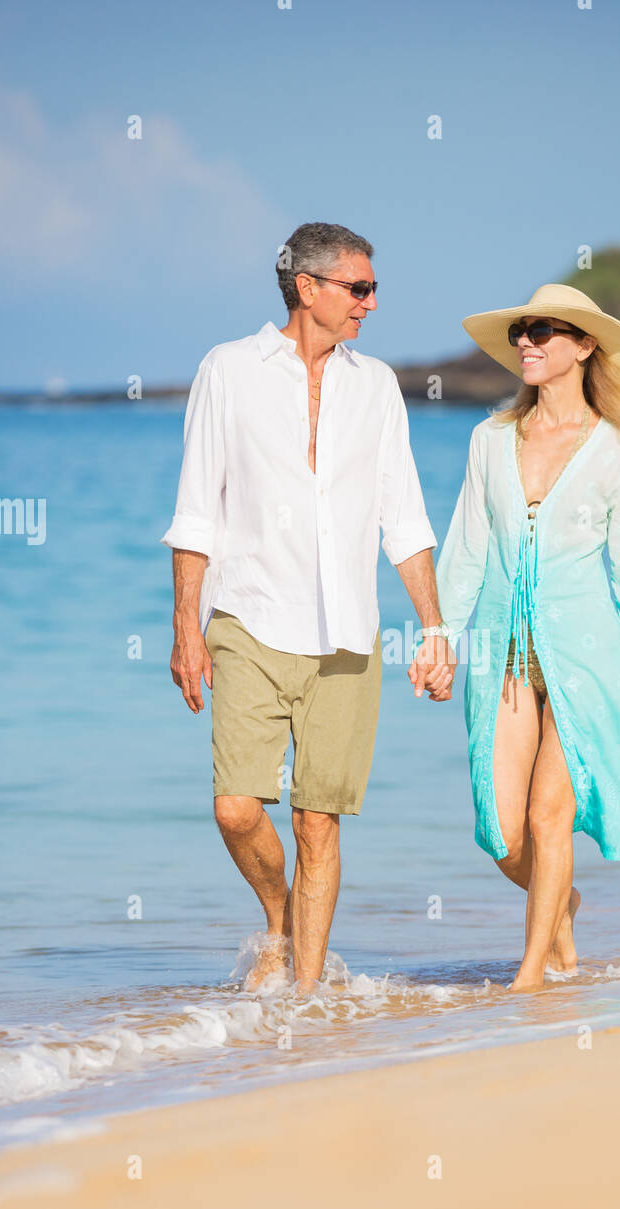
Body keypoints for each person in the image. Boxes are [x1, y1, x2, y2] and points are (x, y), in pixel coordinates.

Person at [163, 222, 454, 993]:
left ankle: (304, 1000)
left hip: (348, 635)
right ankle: (278, 917)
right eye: (358, 288)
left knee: (316, 820)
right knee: (235, 808)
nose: (370, 303)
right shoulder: (228, 371)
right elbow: (195, 511)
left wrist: (433, 627)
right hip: (250, 619)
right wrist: (184, 628)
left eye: (372, 288)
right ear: (308, 287)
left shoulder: (376, 385)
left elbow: (406, 517)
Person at [435, 283, 620, 992]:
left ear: (583, 347)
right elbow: (466, 549)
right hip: (500, 656)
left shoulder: (615, 452)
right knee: (504, 834)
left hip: (587, 660)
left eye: (545, 331)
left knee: (551, 817)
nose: (527, 343)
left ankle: (531, 976)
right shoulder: (488, 440)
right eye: (521, 332)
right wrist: (439, 638)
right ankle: (560, 902)